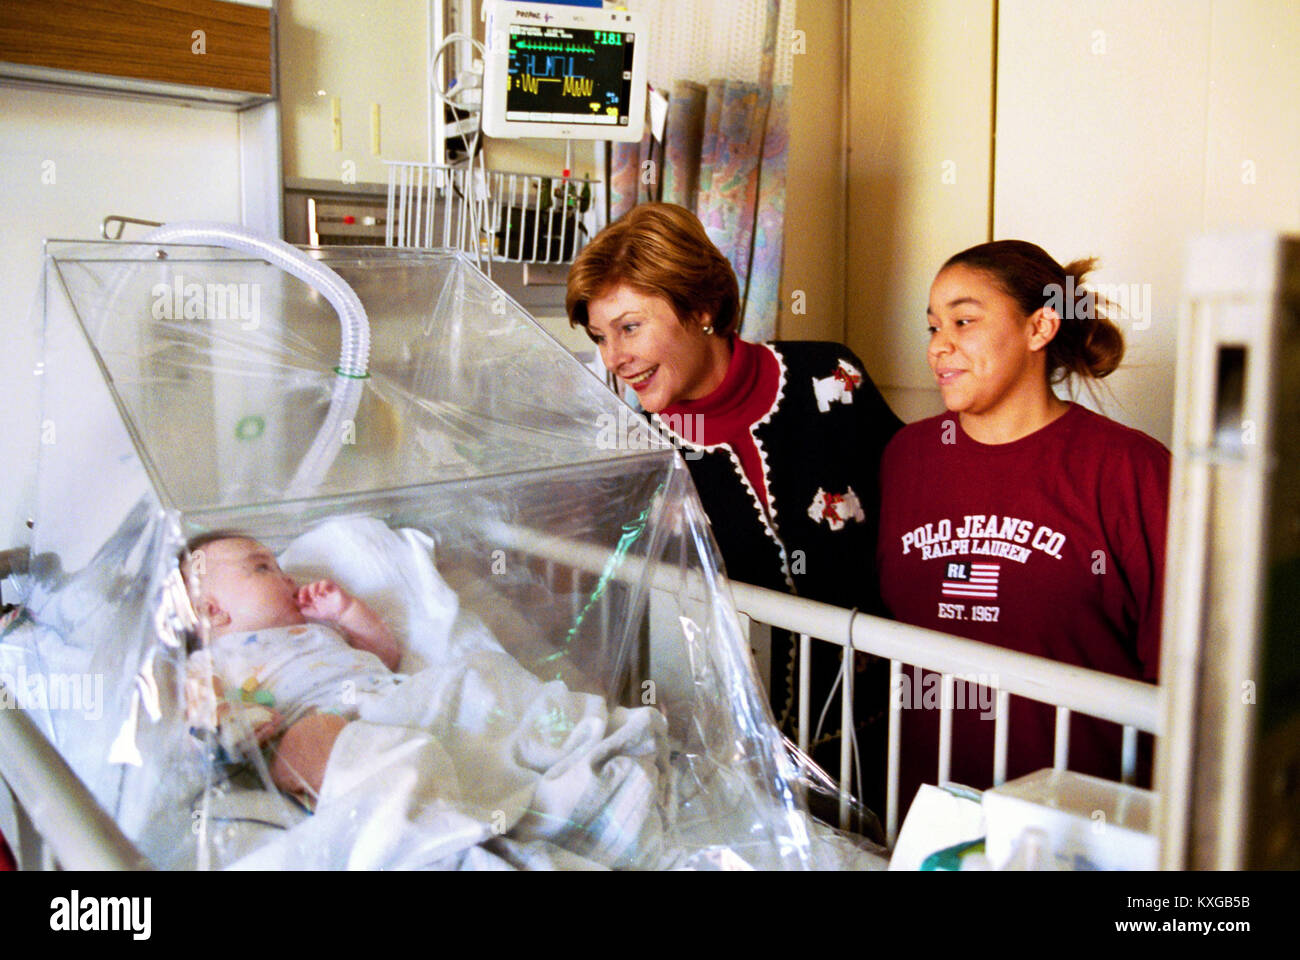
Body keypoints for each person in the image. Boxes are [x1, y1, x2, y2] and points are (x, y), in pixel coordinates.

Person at [567, 203, 902, 813]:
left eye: (630, 327)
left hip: (892, 724)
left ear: (702, 310)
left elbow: (916, 509)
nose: (614, 357)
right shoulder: (641, 459)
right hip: (743, 763)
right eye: (601, 337)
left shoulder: (830, 377)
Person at [876, 240, 1170, 811]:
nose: (940, 346)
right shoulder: (907, 456)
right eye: (933, 326)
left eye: (964, 321)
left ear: (1040, 328)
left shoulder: (1129, 469)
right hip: (927, 813)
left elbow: (1182, 673)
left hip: (1077, 821)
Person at [182, 533, 402, 800]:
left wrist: (347, 611)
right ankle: (380, 796)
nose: (289, 579)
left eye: (280, 569)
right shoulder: (214, 659)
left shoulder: (319, 627)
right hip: (315, 722)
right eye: (261, 567)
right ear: (212, 611)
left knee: (457, 685)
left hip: (391, 697)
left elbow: (386, 657)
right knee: (310, 743)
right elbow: (199, 706)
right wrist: (227, 719)